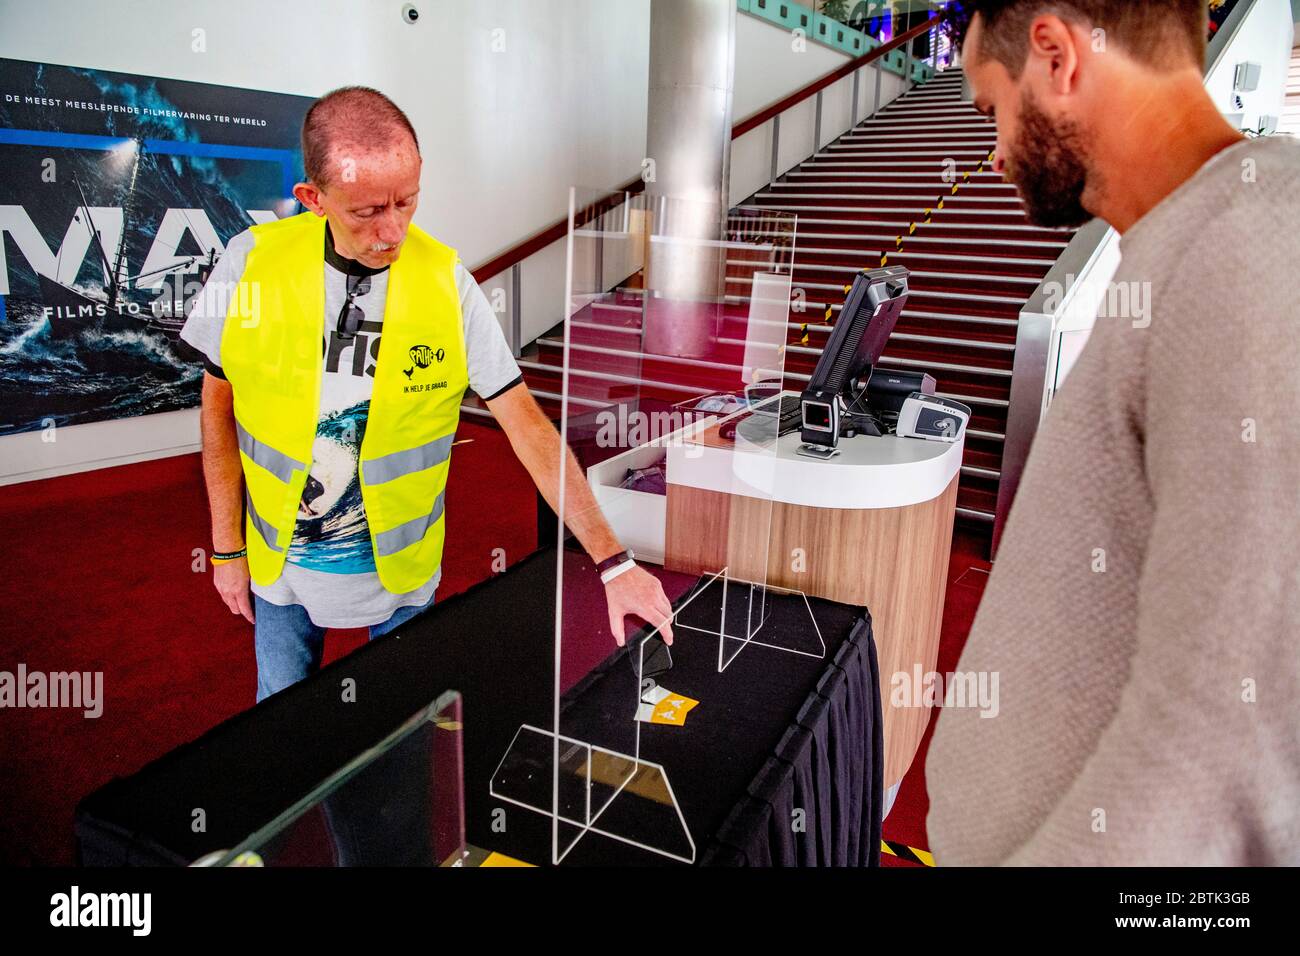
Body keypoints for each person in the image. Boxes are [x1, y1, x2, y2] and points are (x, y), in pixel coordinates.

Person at [925, 1, 1299, 864]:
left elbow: (1229, 753)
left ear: (1055, 56)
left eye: (992, 111)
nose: (994, 153)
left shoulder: (1246, 244)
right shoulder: (1188, 247)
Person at [181, 86, 674, 703]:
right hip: (277, 564)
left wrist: (614, 561)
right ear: (313, 199)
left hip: (402, 575)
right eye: (366, 211)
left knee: (405, 740)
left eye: (406, 202)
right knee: (278, 729)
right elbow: (218, 407)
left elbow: (525, 426)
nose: (393, 231)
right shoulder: (250, 263)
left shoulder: (448, 284)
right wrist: (226, 548)